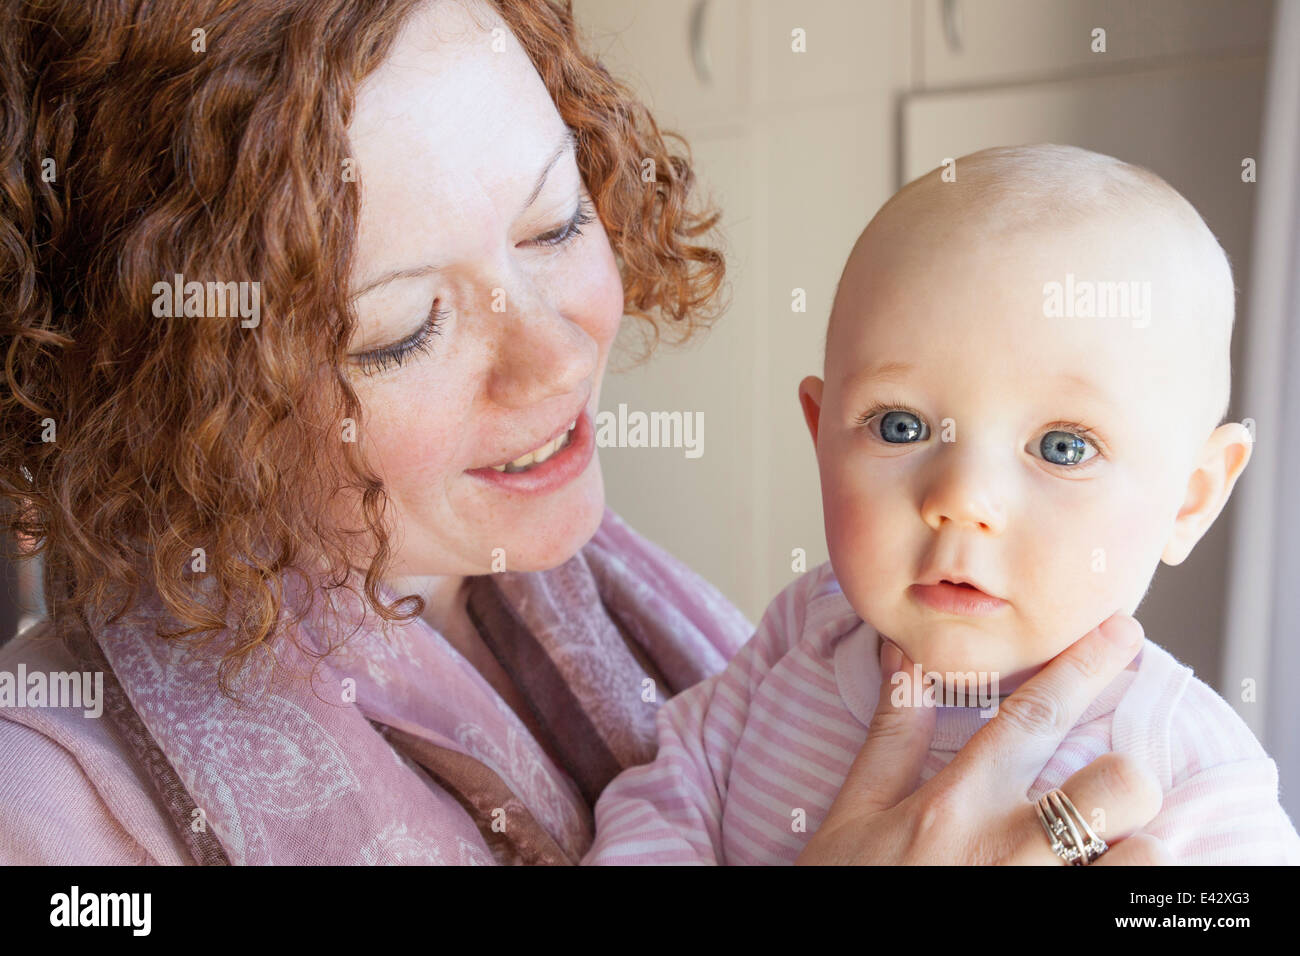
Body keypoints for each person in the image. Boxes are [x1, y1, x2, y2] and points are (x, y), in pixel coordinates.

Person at [0, 1, 1170, 866]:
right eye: (403, 330)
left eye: (557, 223)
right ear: (168, 385)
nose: (559, 358)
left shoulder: (591, 588)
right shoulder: (48, 798)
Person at [583, 145, 1300, 865]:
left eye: (1064, 448)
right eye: (901, 426)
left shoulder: (1187, 770)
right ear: (822, 436)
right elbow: (660, 800)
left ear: (1192, 497)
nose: (960, 500)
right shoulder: (805, 629)